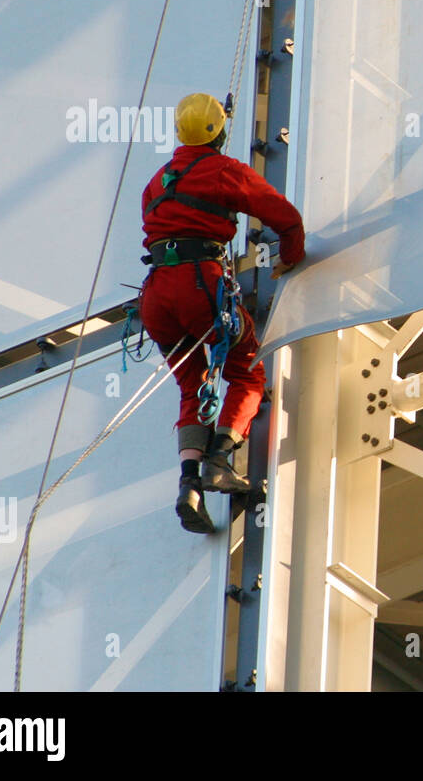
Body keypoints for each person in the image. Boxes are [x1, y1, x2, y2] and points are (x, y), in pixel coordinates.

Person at [139, 92, 305, 534]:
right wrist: (292, 256)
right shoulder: (223, 171)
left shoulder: (156, 182)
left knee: (192, 386)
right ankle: (219, 457)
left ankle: (189, 485)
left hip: (156, 295)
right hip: (199, 283)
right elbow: (285, 217)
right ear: (221, 131)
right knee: (247, 373)